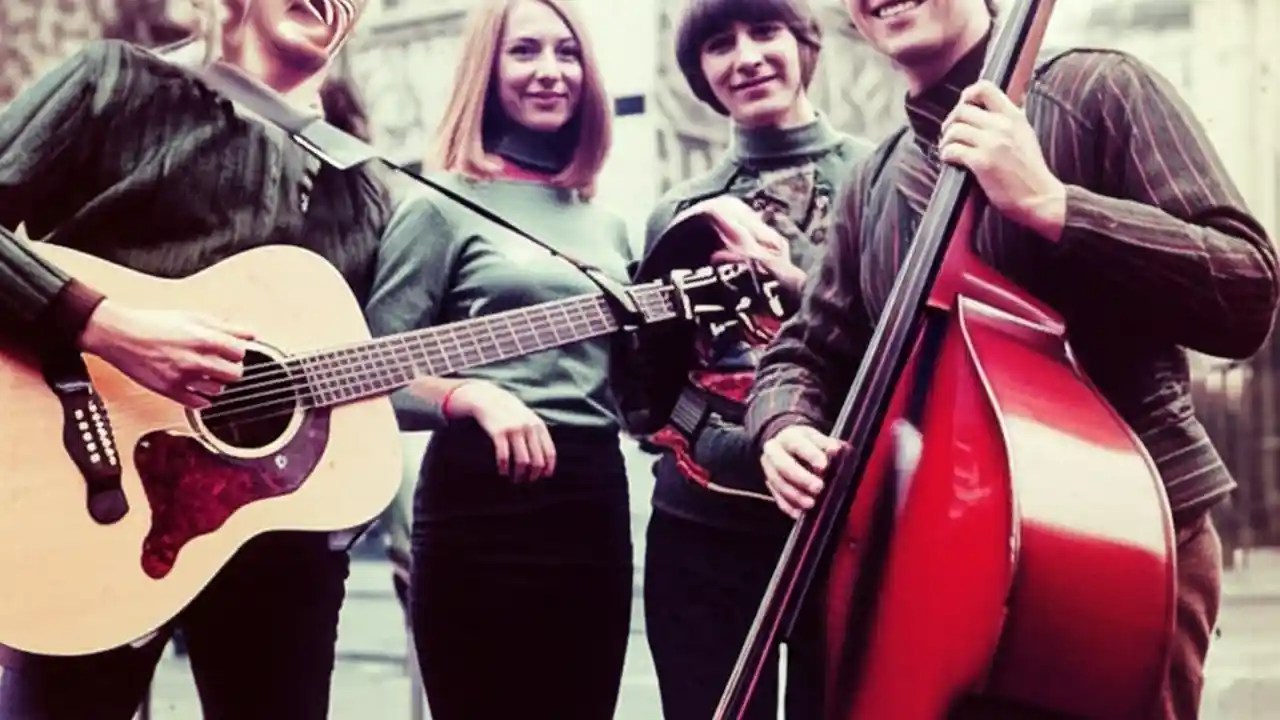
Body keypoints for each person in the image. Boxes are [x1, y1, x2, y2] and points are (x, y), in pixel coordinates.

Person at [746, 0, 1279, 718]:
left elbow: (1247, 290)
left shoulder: (1099, 90)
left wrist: (1056, 206)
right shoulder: (872, 184)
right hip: (931, 563)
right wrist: (783, 426)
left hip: (1118, 547)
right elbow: (805, 351)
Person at [0, 1, 388, 718]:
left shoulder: (359, 185)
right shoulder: (115, 82)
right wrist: (104, 326)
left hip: (276, 540)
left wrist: (464, 393)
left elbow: (356, 372)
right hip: (90, 502)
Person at [361, 1, 634, 717]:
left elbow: (638, 388)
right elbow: (370, 376)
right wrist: (470, 396)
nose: (550, 71)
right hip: (478, 502)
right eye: (525, 51)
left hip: (592, 498)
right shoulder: (440, 205)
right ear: (487, 68)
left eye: (567, 53)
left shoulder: (607, 225)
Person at [609, 0, 871, 717]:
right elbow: (649, 386)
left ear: (804, 43)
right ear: (699, 73)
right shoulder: (678, 211)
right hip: (701, 525)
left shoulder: (876, 175)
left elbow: (904, 335)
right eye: (720, 44)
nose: (747, 57)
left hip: (842, 516)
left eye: (764, 32)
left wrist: (793, 281)